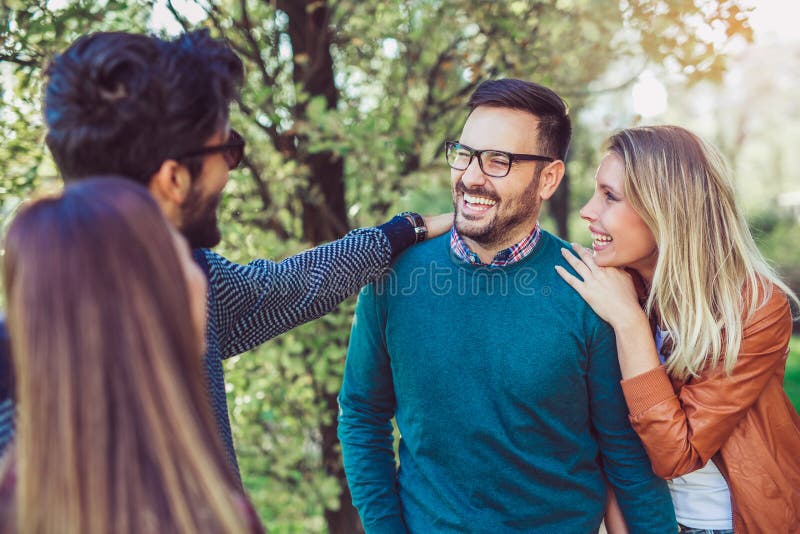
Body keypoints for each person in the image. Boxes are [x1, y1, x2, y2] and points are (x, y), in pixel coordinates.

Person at [0, 29, 450, 471]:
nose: (232, 171)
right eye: (228, 149)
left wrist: (403, 231)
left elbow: (286, 289)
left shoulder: (194, 275)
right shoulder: (17, 391)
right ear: (174, 179)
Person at [337, 79, 676, 533]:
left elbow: (625, 456)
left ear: (549, 179)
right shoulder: (392, 276)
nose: (471, 177)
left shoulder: (590, 291)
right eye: (465, 154)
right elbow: (361, 414)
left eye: (499, 161)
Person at [557, 125, 800, 533]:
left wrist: (631, 324)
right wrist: (419, 228)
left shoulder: (755, 309)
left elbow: (677, 454)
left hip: (733, 522)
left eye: (609, 196)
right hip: (648, 521)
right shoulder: (615, 285)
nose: (587, 210)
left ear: (665, 209)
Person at [1, 178, 262, 533]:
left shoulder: (18, 497)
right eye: (179, 256)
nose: (202, 274)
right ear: (140, 304)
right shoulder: (200, 513)